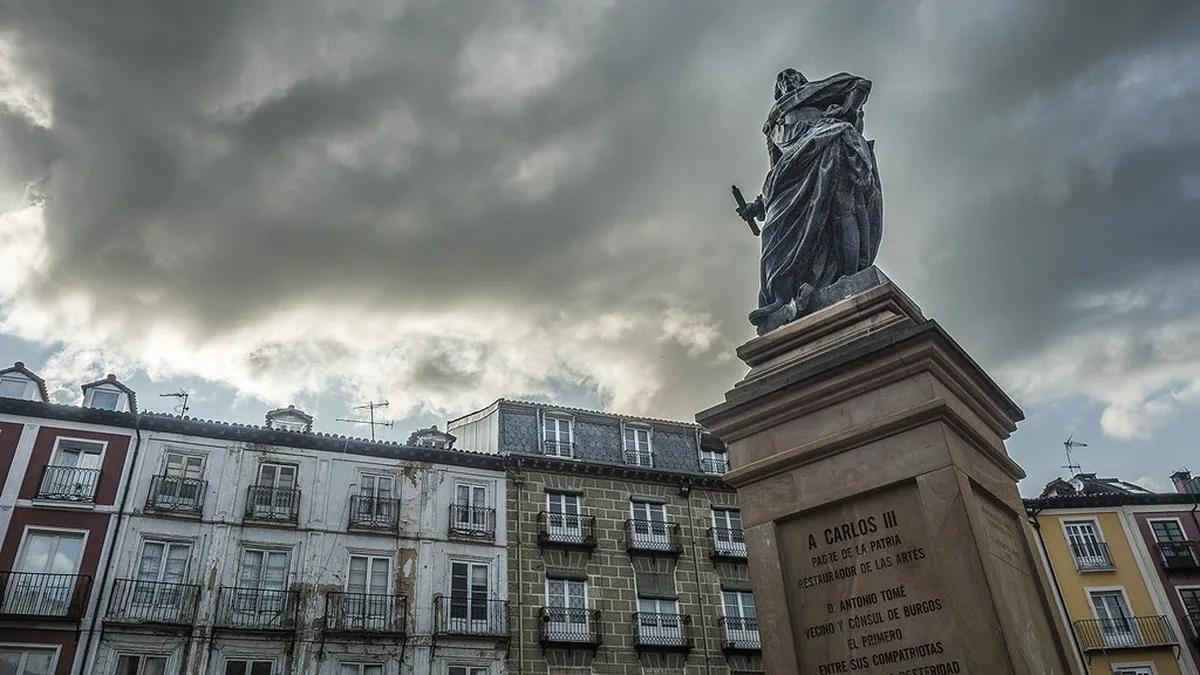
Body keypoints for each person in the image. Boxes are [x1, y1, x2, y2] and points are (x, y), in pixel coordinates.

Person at [737, 68, 883, 335]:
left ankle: (849, 280)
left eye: (793, 77)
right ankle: (783, 301)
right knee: (774, 238)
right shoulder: (773, 126)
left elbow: (860, 84)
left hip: (830, 143)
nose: (789, 82)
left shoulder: (814, 94)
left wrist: (845, 110)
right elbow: (777, 170)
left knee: (843, 211)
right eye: (783, 80)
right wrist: (759, 205)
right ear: (778, 90)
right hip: (794, 172)